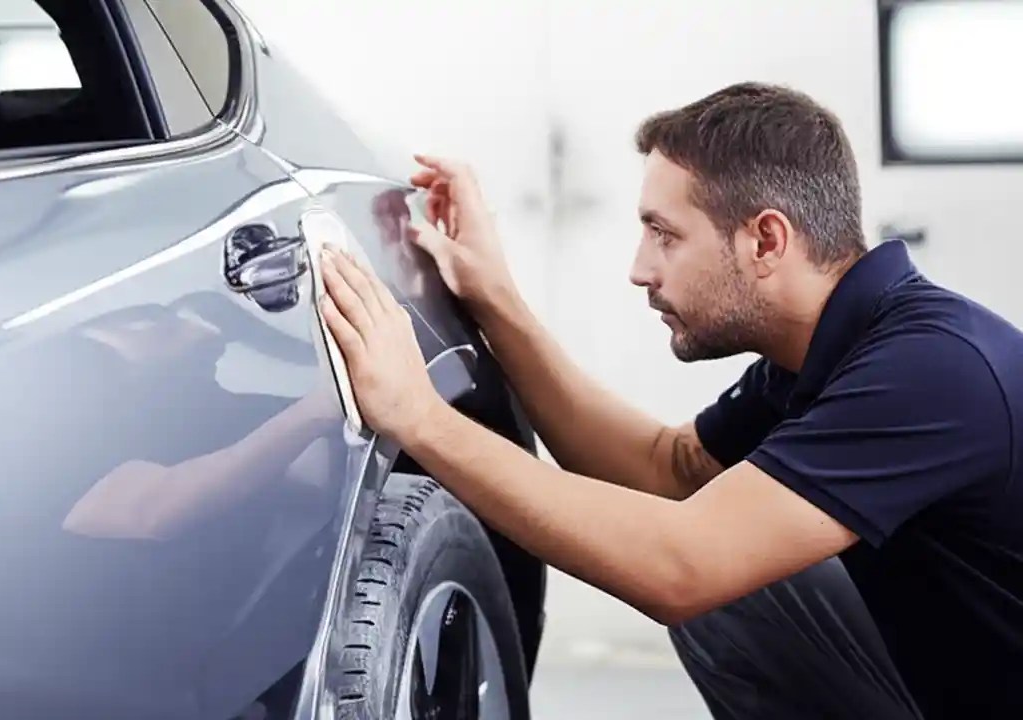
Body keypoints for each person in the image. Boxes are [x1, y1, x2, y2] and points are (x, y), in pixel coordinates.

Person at [315, 82, 1023, 719]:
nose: (639, 269)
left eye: (664, 233)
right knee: (723, 544)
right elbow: (669, 471)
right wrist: (496, 302)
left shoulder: (932, 372)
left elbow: (678, 566)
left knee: (709, 560)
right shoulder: (829, 350)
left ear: (765, 240)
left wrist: (421, 419)